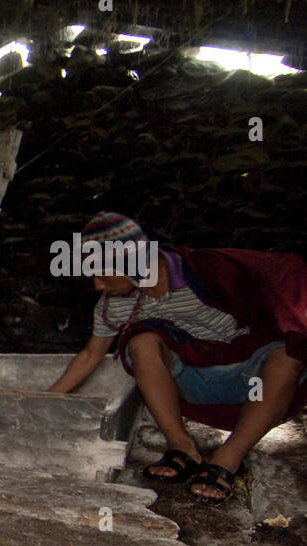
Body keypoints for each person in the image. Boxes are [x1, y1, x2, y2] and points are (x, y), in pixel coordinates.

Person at [49, 212, 307, 502]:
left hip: (251, 380)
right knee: (142, 341)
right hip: (193, 381)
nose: (98, 285)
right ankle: (182, 447)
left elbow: (285, 287)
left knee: (289, 353)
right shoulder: (114, 306)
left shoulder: (203, 271)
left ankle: (226, 459)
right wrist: (45, 401)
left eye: (103, 273)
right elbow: (91, 354)